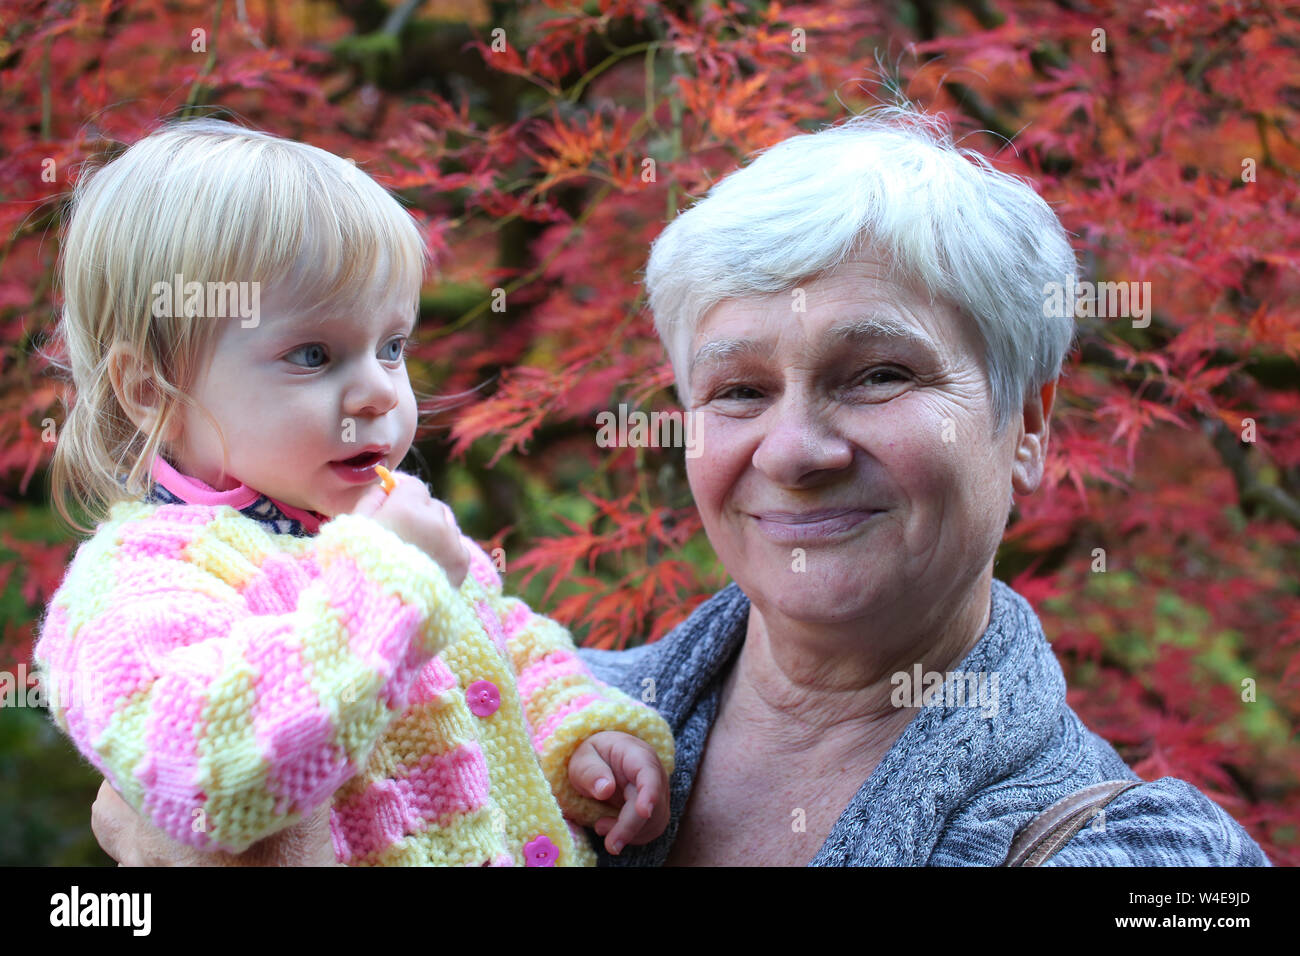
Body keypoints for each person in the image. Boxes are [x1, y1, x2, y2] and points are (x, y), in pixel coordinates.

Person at [90, 104, 1272, 866]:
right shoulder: (563, 719)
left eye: (874, 373)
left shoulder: (1148, 866)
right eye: (740, 390)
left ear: (1024, 425)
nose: (797, 448)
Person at [34, 118, 674, 867]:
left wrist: (580, 729)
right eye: (313, 354)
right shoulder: (142, 582)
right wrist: (388, 581)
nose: (378, 390)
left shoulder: (383, 527)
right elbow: (209, 775)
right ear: (152, 391)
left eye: (393, 346)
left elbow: (508, 643)